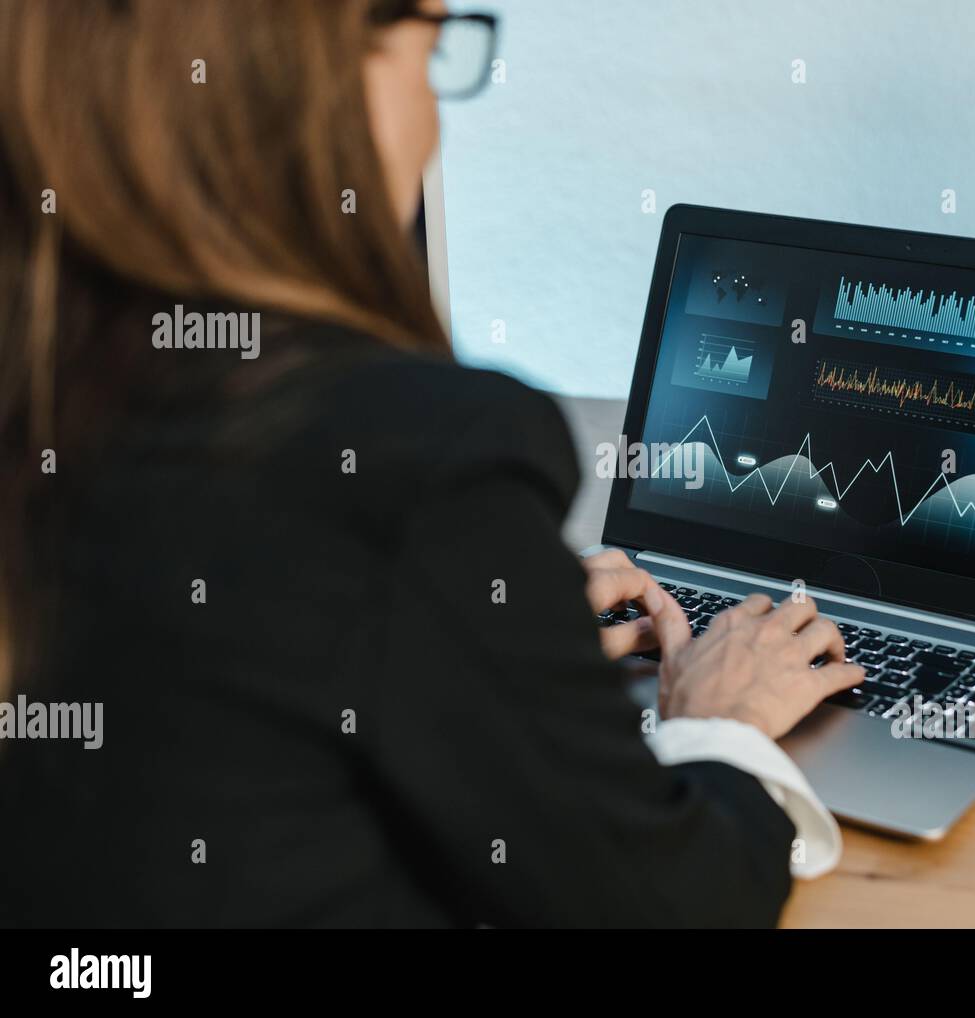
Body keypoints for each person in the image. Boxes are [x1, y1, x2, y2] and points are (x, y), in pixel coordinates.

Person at [0, 0, 863, 928]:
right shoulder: (413, 456)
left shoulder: (50, 381)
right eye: (433, 51)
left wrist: (479, 625)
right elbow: (676, 907)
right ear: (327, 81)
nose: (434, 119)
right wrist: (718, 726)